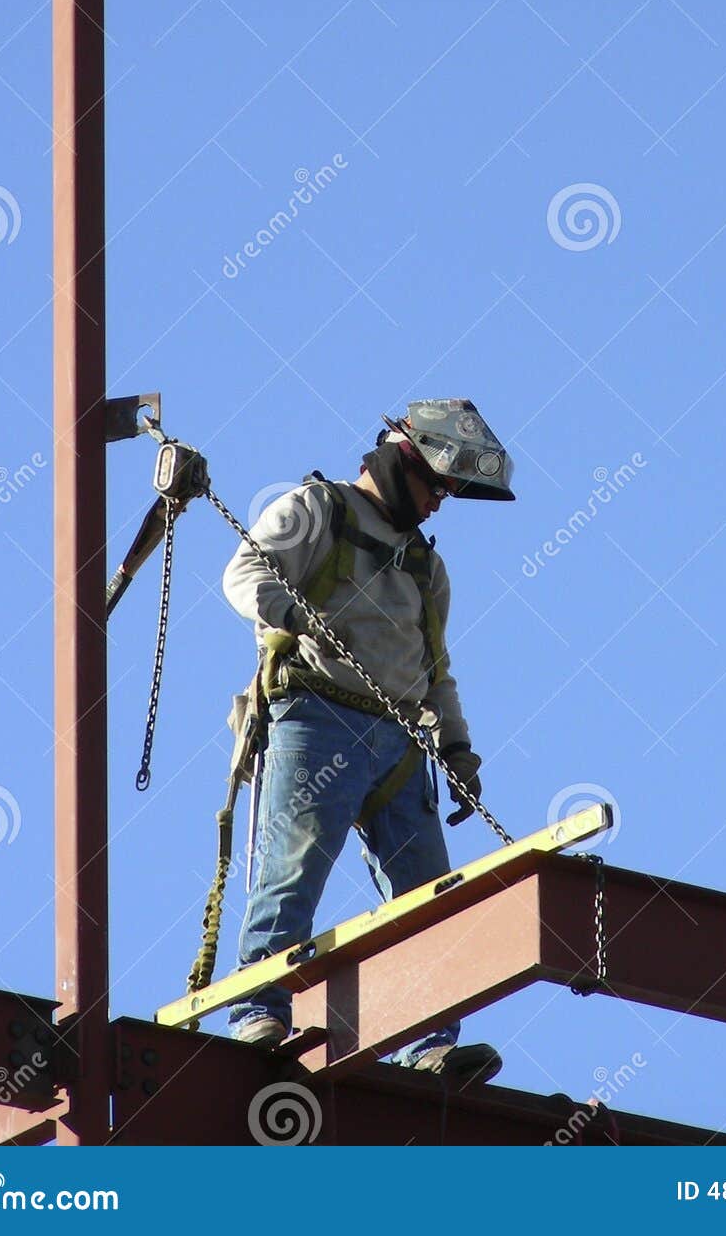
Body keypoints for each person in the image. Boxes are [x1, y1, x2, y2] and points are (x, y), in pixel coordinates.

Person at [221, 398, 514, 1083]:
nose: (438, 504)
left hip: (400, 741)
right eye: (435, 486)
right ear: (401, 460)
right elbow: (244, 576)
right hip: (316, 718)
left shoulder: (425, 567)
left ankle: (430, 1043)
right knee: (292, 870)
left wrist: (458, 749)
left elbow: (435, 669)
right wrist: (296, 615)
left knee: (427, 895)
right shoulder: (318, 509)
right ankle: (259, 1011)